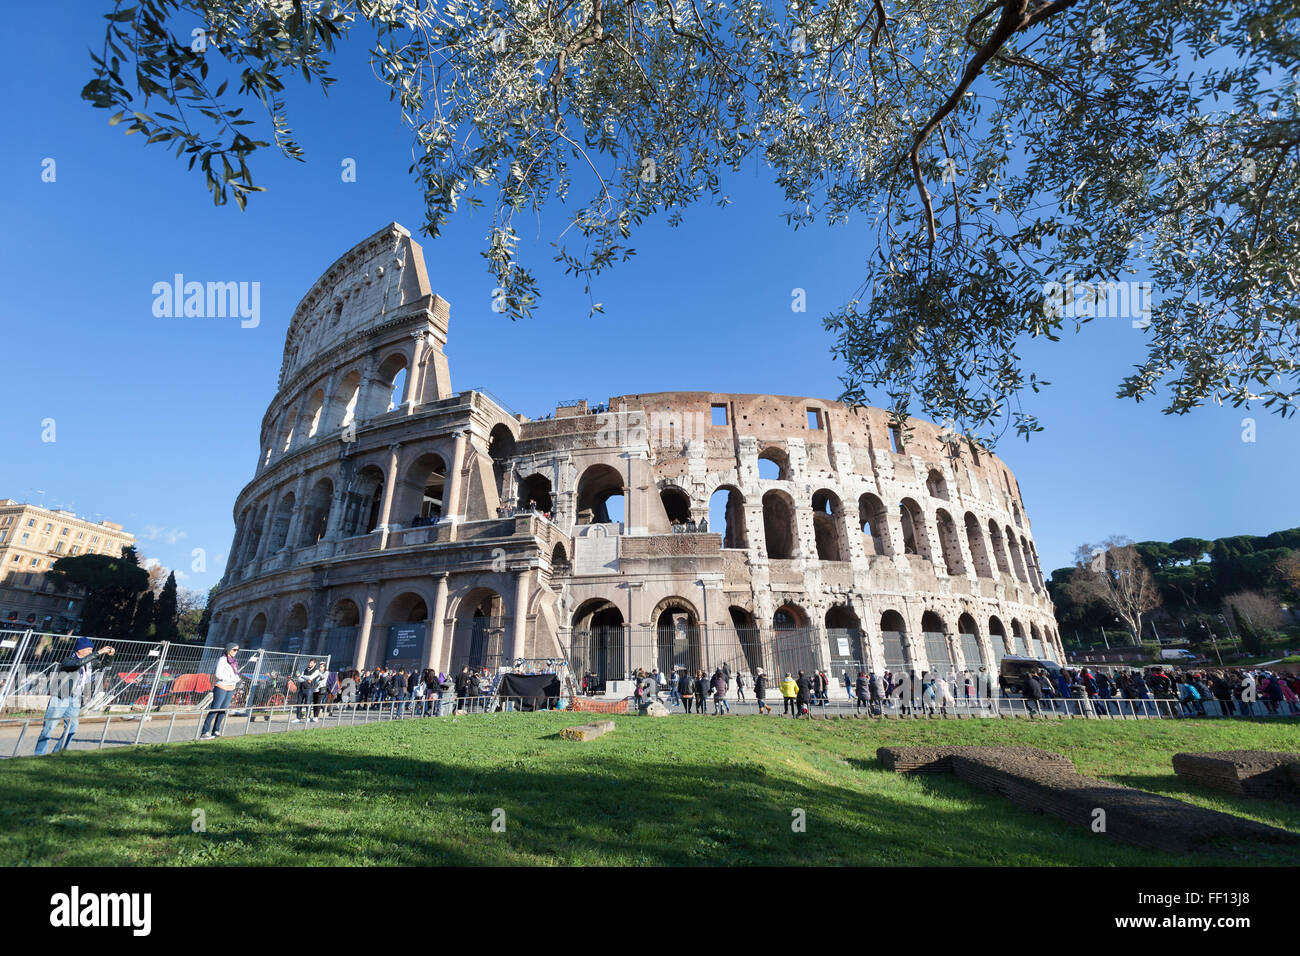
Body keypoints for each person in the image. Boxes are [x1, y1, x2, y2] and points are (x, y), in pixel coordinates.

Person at [35, 637, 116, 755]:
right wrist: (98, 652)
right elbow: (78, 663)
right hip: (60, 698)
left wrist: (110, 656)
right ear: (80, 649)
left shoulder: (89, 663)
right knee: (49, 727)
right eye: (88, 649)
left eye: (92, 650)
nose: (91, 652)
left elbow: (104, 665)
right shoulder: (68, 660)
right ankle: (39, 754)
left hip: (74, 699)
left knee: (72, 728)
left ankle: (59, 752)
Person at [200, 643, 252, 739]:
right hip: (222, 686)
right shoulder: (222, 660)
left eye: (237, 650)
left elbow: (235, 674)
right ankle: (205, 732)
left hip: (231, 687)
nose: (236, 652)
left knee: (223, 710)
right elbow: (218, 674)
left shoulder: (234, 662)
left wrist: (236, 679)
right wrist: (230, 679)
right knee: (215, 709)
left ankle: (216, 730)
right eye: (234, 650)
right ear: (229, 649)